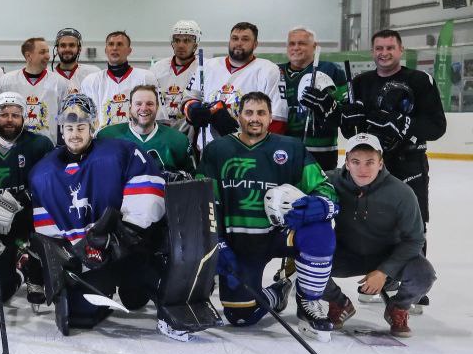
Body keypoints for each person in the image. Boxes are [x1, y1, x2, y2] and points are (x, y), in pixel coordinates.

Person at [199, 91, 338, 340]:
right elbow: (205, 202)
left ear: (270, 116)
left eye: (261, 113)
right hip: (238, 243)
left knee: (319, 230)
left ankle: (309, 301)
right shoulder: (217, 151)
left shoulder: (291, 148)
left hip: (280, 234)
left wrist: (319, 204)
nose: (255, 118)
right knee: (240, 316)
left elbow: (325, 188)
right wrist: (216, 242)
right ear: (237, 115)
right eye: (249, 112)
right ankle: (278, 292)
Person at [26, 93, 167, 336]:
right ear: (61, 129)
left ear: (93, 126)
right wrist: (65, 257)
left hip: (126, 249)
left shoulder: (120, 152)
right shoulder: (42, 172)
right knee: (81, 316)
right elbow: (48, 231)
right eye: (69, 127)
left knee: (135, 297)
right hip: (86, 258)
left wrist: (120, 237)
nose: (75, 134)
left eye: (81, 126)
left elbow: (149, 192)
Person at [323, 133, 435, 338]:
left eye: (369, 162)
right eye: (355, 162)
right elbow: (300, 181)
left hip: (387, 256)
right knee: (307, 265)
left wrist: (384, 271)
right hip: (345, 254)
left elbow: (415, 239)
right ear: (346, 163)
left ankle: (398, 308)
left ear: (381, 163)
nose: (362, 169)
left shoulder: (402, 193)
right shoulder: (330, 182)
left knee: (424, 274)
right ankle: (340, 303)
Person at [340, 28, 446, 227]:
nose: (384, 52)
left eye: (390, 47)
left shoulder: (420, 81)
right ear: (373, 51)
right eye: (379, 48)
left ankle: (412, 259)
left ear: (401, 50)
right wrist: (347, 121)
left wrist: (403, 124)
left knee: (412, 226)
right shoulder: (360, 83)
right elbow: (349, 133)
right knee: (368, 227)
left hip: (409, 164)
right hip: (368, 166)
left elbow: (437, 127)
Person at [0, 92, 53, 306]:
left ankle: (34, 271)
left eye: (16, 115)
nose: (9, 119)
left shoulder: (40, 145)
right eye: (4, 114)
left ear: (24, 118)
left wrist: (16, 200)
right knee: (0, 292)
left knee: (45, 227)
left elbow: (51, 187)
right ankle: (20, 269)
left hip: (29, 223)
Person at [184, 21, 286, 151]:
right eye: (235, 38)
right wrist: (193, 109)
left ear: (255, 44)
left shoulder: (269, 70)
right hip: (208, 148)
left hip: (248, 149)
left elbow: (278, 118)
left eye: (245, 39)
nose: (238, 43)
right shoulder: (207, 66)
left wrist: (263, 150)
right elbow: (188, 98)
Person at [278, 26, 347, 172]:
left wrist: (330, 107)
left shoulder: (331, 70)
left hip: (321, 153)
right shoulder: (276, 71)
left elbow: (346, 113)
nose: (296, 48)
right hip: (282, 150)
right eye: (292, 43)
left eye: (301, 43)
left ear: (314, 46)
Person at [97, 85, 192, 174]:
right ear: (130, 108)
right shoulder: (107, 136)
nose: (144, 108)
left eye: (150, 104)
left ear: (157, 107)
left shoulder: (178, 140)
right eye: (138, 104)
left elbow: (191, 182)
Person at [81, 31, 160, 130]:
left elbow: (159, 118)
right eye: (111, 44)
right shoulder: (91, 81)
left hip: (137, 141)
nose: (114, 48)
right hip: (103, 141)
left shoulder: (146, 77)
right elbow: (84, 120)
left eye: (120, 44)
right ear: (106, 50)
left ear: (129, 50)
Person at [0, 36, 67, 140]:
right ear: (29, 56)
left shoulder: (59, 82)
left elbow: (65, 119)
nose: (48, 56)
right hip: (14, 147)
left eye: (48, 52)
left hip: (47, 148)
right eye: (42, 52)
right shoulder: (6, 81)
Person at [152, 19, 201, 130]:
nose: (181, 45)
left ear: (196, 44)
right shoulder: (157, 68)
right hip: (161, 131)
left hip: (192, 131)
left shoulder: (204, 68)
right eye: (177, 40)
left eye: (187, 40)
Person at [50, 27, 99, 93]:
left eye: (72, 45)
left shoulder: (93, 73)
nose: (67, 49)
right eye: (63, 45)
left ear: (79, 49)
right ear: (57, 49)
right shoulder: (48, 75)